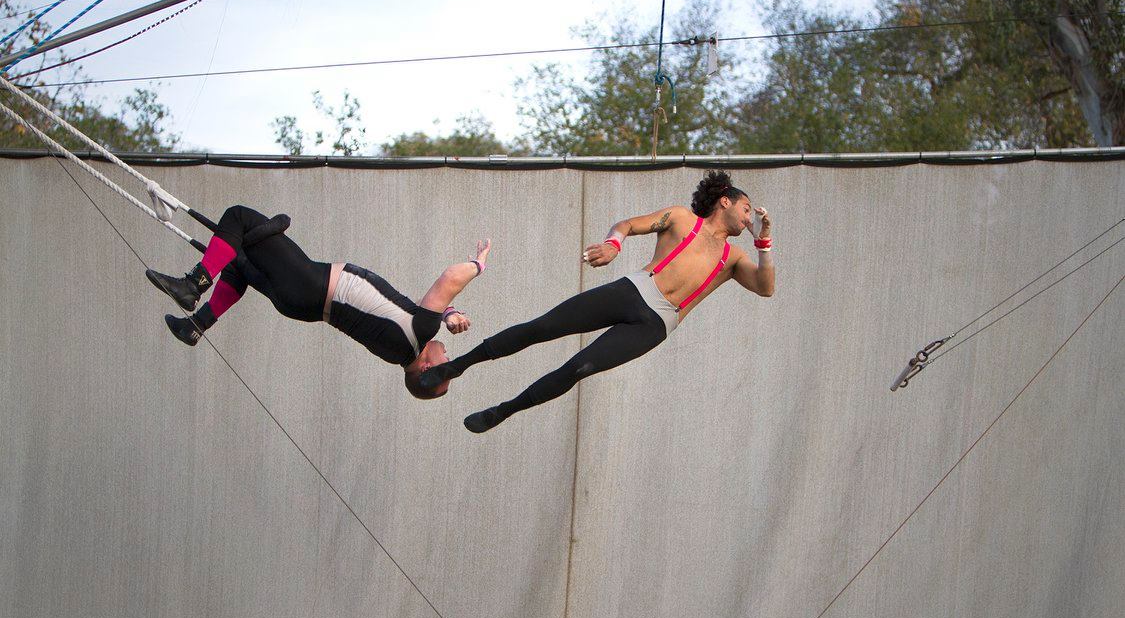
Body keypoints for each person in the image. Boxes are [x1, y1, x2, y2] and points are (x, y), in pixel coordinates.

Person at [419, 170, 774, 431]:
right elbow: (628, 225)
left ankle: (505, 410)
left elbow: (765, 287)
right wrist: (612, 244)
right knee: (541, 328)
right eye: (746, 209)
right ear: (725, 200)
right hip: (633, 291)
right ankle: (456, 366)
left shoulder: (733, 258)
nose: (749, 217)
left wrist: (764, 242)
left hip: (656, 324)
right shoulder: (683, 219)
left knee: (578, 369)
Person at [145, 204, 489, 399]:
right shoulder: (403, 346)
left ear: (427, 369)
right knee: (237, 263)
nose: (447, 356)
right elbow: (405, 307)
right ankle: (197, 325)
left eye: (445, 365)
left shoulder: (418, 332)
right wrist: (449, 310)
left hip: (309, 284)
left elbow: (449, 279)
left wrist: (478, 265)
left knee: (237, 218)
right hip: (300, 304)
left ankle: (193, 285)